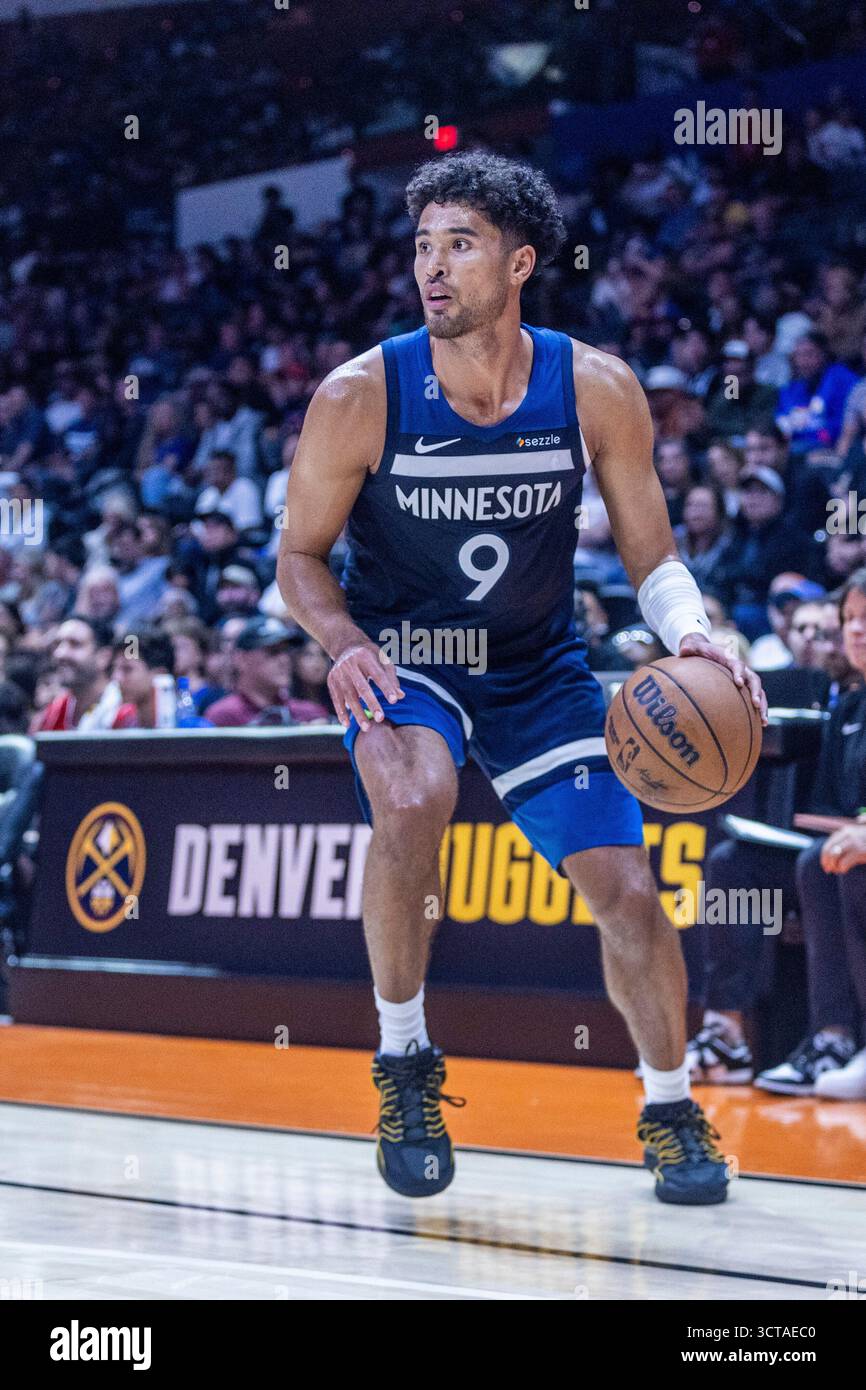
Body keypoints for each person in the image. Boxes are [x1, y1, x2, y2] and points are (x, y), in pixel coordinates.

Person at [277, 151, 767, 1207]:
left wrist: (695, 634)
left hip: (539, 667)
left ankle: (670, 1105)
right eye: (421, 246)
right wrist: (343, 643)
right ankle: (404, 1060)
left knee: (629, 895)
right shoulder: (360, 395)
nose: (432, 268)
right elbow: (297, 559)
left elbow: (650, 554)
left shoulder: (593, 386)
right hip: (408, 658)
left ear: (520, 261)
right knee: (412, 796)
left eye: (459, 244)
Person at [754, 569, 866, 1098]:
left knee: (849, 867)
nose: (856, 631)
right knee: (811, 860)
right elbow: (827, 803)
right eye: (850, 620)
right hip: (849, 841)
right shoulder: (847, 704)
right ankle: (831, 1039)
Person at [204, 614, 327, 727]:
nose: (284, 660)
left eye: (286, 651)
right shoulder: (223, 717)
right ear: (241, 659)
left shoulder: (310, 714)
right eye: (273, 651)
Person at [31, 615, 123, 731]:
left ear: (103, 657)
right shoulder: (55, 711)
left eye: (75, 644)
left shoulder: (123, 708)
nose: (60, 653)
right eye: (57, 644)